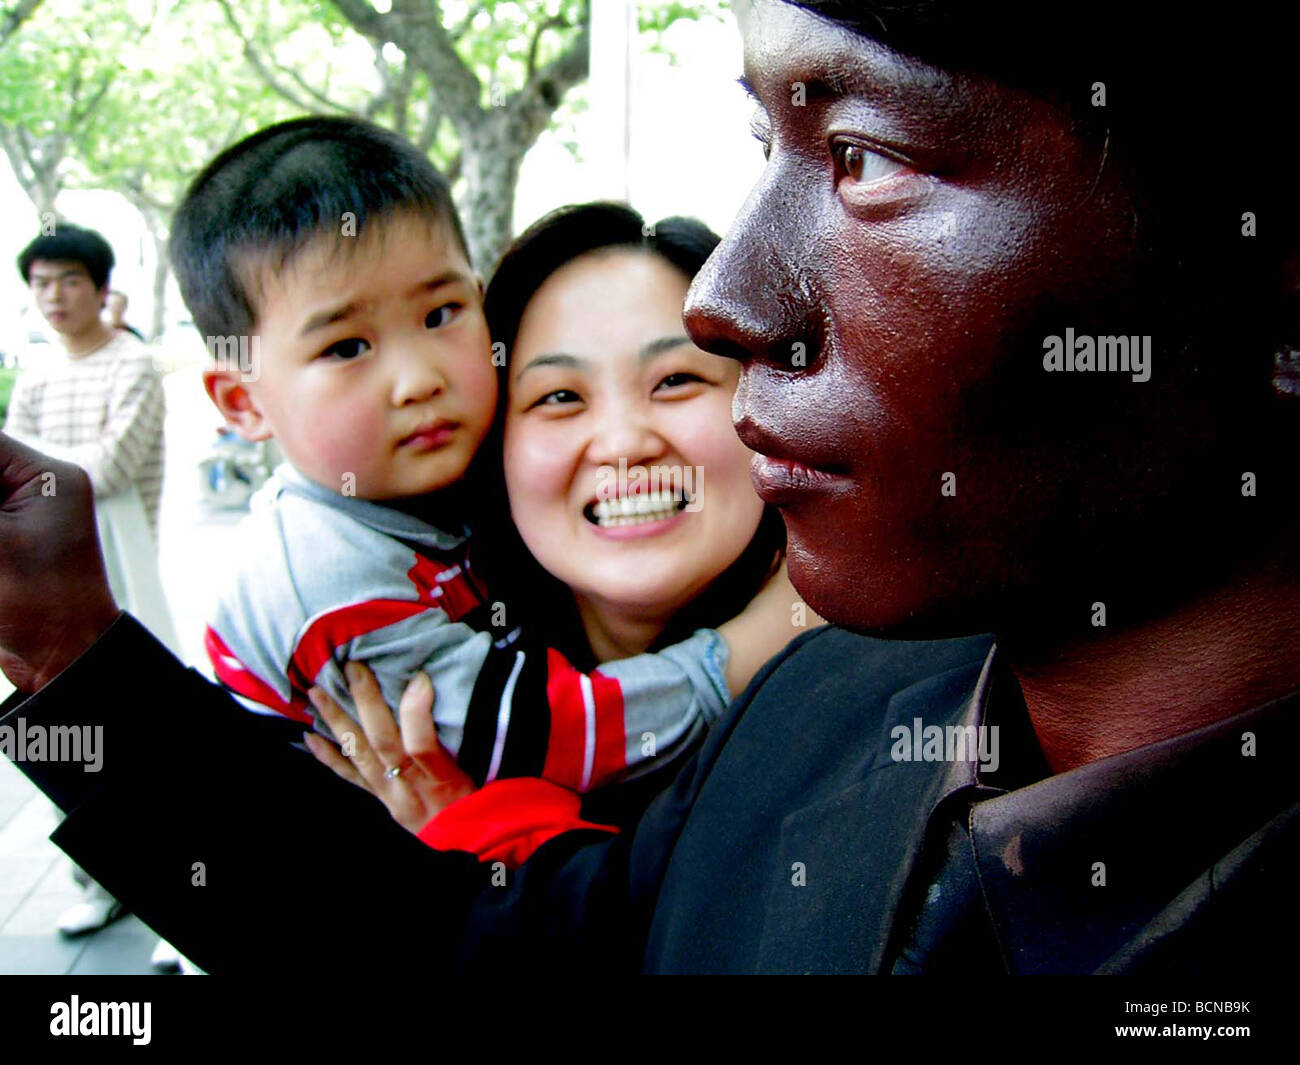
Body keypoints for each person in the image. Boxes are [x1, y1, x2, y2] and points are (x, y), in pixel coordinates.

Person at [0, 0, 1297, 975]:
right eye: (554, 394)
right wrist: (66, 653)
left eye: (863, 153)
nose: (732, 301)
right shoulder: (819, 698)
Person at [176, 119, 800, 854]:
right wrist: (734, 656)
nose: (419, 379)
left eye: (440, 315)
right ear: (242, 401)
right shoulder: (323, 574)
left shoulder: (871, 693)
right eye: (559, 397)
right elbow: (541, 739)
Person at [304, 201, 798, 838]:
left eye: (676, 380)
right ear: (494, 448)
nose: (622, 443)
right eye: (560, 397)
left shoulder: (863, 691)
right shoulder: (417, 685)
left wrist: (476, 865)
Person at [2, 224, 173, 938]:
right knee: (68, 731)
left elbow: (102, 472)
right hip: (49, 592)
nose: (54, 295)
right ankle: (103, 885)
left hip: (124, 577)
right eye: (40, 282)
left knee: (152, 734)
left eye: (69, 280)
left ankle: (175, 906)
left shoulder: (134, 366)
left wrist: (49, 471)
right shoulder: (37, 373)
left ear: (102, 288)